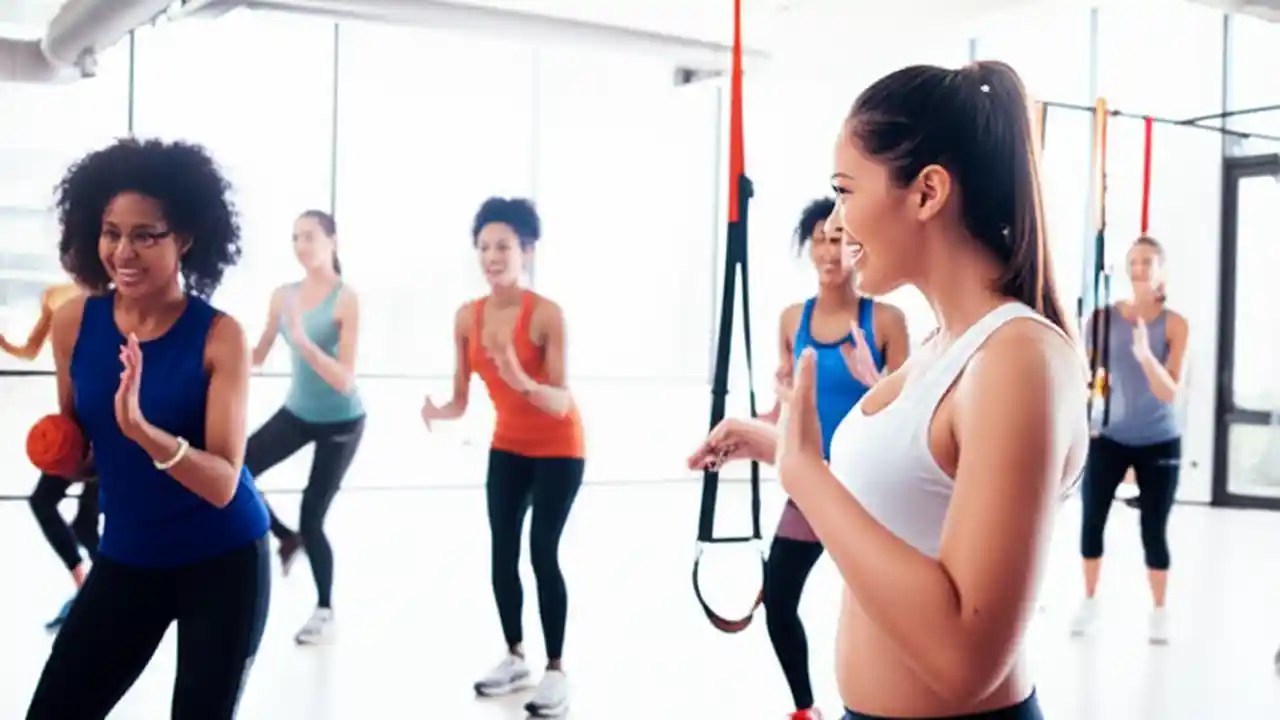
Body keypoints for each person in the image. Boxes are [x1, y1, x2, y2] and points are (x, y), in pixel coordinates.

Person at [689, 61, 1088, 719]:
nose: (838, 225)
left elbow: (966, 660)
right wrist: (776, 445)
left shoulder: (1016, 358)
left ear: (927, 192)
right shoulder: (942, 347)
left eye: (845, 192)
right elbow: (908, 495)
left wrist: (803, 474)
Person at [25, 137, 272, 720]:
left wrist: (142, 430)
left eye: (146, 235)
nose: (123, 252)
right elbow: (88, 454)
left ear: (185, 237)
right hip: (129, 555)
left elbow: (222, 482)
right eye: (111, 232)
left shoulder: (221, 337)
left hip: (224, 560)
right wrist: (64, 455)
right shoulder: (73, 323)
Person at [420, 196, 584, 718]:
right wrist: (439, 411)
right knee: (502, 554)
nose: (492, 256)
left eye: (504, 247)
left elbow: (560, 401)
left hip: (559, 449)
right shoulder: (466, 317)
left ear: (527, 250)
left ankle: (555, 670)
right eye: (484, 247)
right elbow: (461, 398)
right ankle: (515, 656)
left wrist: (519, 378)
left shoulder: (547, 315)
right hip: (508, 447)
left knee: (542, 553)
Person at [758, 198, 908, 720]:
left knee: (875, 611)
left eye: (840, 239)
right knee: (778, 599)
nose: (829, 251)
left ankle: (881, 705)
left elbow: (909, 411)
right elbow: (783, 408)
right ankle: (806, 709)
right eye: (819, 240)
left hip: (868, 490)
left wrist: (875, 379)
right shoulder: (790, 320)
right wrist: (758, 421)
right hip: (813, 486)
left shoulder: (886, 320)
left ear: (857, 245)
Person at [244, 209, 364, 646]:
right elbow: (257, 356)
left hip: (342, 421)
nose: (301, 245)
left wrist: (302, 339)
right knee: (236, 469)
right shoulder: (283, 296)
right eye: (295, 237)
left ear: (332, 241)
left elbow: (344, 379)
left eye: (309, 236)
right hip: (298, 412)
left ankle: (324, 610)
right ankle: (285, 537)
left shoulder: (346, 299)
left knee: (313, 516)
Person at [1071, 235, 1187, 644]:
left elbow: (1168, 392)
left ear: (1161, 271)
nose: (1139, 269)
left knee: (1153, 530)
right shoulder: (1102, 320)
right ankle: (1089, 601)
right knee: (1091, 521)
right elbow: (1084, 376)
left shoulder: (1175, 324)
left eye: (1147, 262)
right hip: (1110, 437)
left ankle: (1159, 612)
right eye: (1133, 261)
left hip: (1159, 439)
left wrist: (1145, 355)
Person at [2, 279, 100, 630]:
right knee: (49, 504)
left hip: (107, 425)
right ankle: (89, 588)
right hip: (75, 426)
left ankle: (102, 593)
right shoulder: (55, 298)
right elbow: (30, 351)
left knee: (84, 523)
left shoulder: (110, 297)